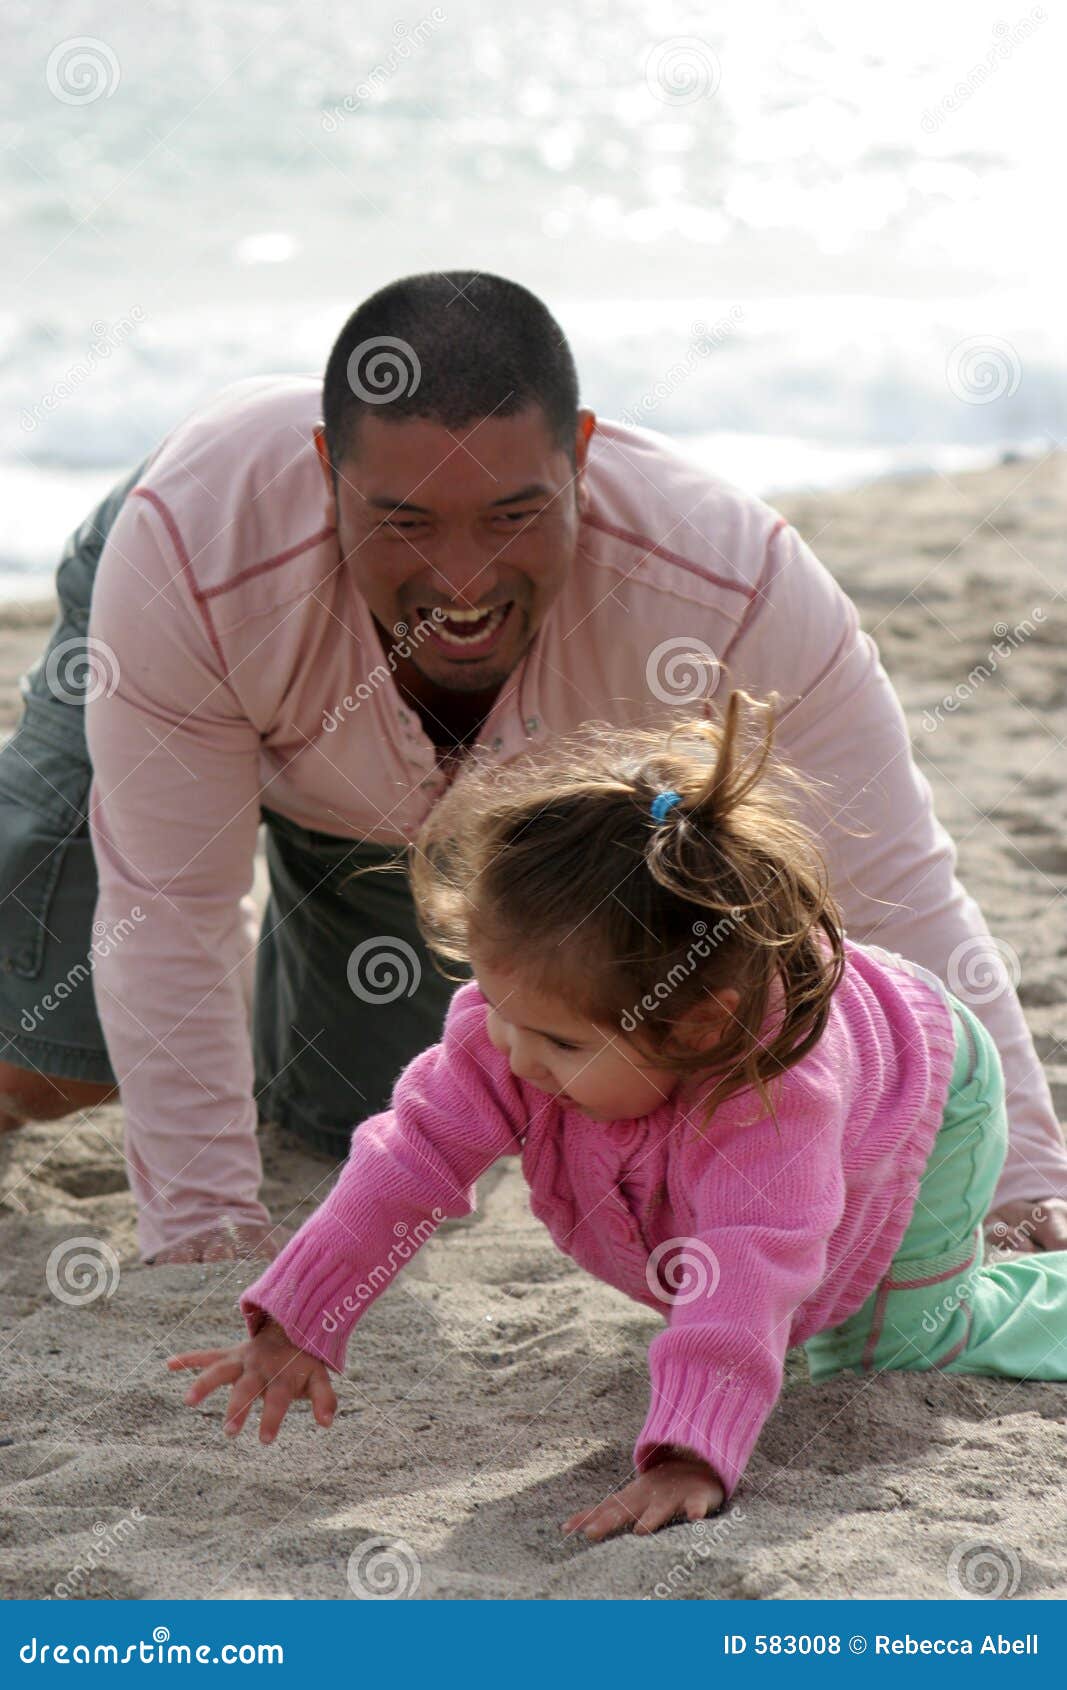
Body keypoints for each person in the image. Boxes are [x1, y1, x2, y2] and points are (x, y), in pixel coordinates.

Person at [1, 270, 1065, 1265]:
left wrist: (1021, 1170)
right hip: (215, 673)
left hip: (429, 818)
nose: (461, 579)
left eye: (512, 515)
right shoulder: (195, 551)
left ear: (582, 459)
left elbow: (892, 881)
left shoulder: (726, 577)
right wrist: (203, 1221)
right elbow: (172, 903)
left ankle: (282, 957)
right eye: (404, 521)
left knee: (348, 1114)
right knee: (45, 1048)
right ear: (328, 473)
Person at [166, 691, 1067, 1541]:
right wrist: (301, 1316)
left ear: (696, 1024)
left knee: (884, 1348)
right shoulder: (517, 1027)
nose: (510, 1054)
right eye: (493, 1006)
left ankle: (1031, 1295)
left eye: (554, 1042)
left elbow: (749, 1251)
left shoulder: (769, 1099)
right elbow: (410, 1155)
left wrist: (688, 1454)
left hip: (927, 1091)